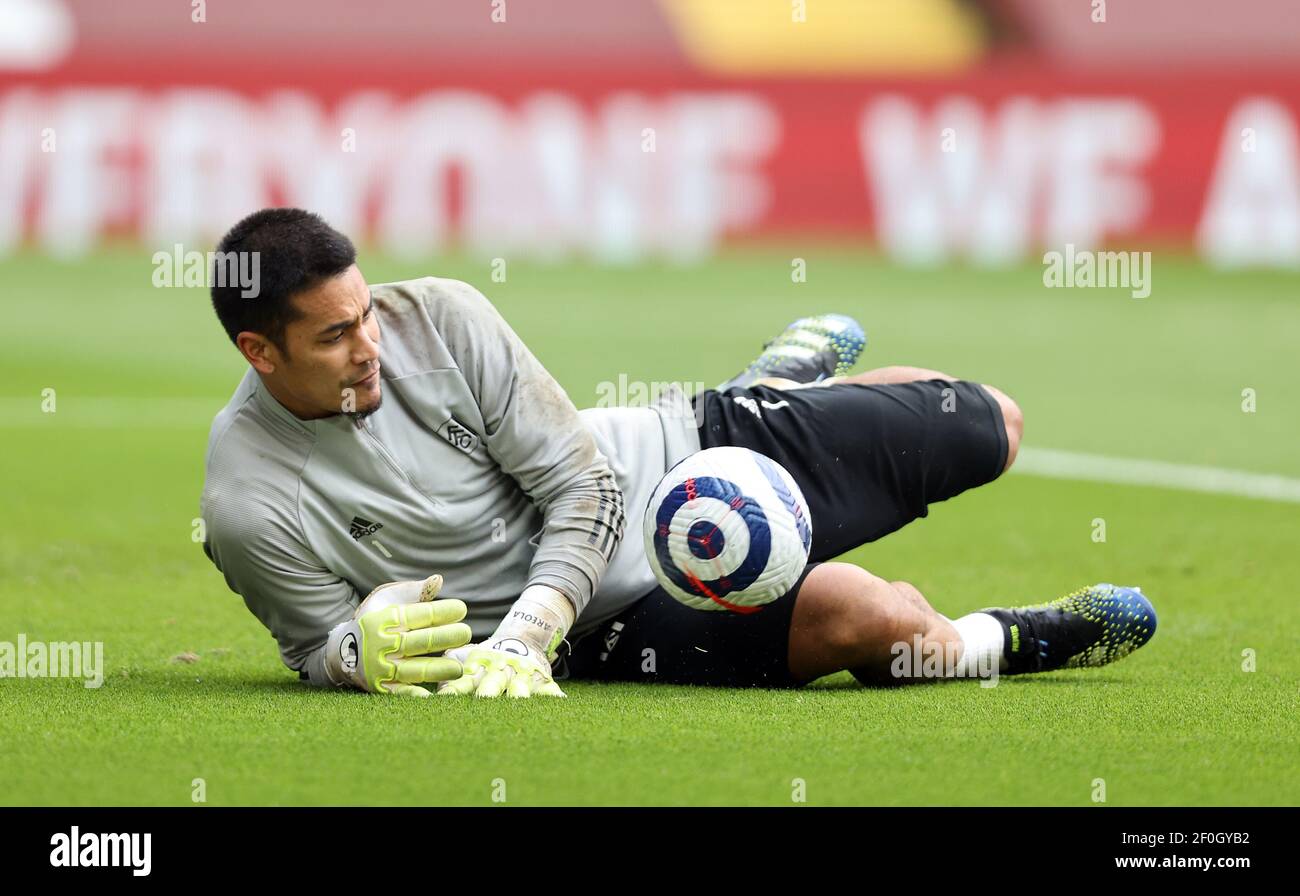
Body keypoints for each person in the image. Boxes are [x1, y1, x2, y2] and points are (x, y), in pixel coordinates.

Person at [201, 208, 1156, 699]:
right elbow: (313, 649)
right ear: (260, 351)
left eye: (365, 313)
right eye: (333, 338)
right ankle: (1020, 638)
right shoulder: (249, 503)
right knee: (883, 625)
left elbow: (579, 483)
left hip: (667, 461)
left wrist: (521, 633)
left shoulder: (439, 316)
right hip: (609, 627)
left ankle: (775, 394)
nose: (370, 346)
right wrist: (350, 657)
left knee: (993, 424)